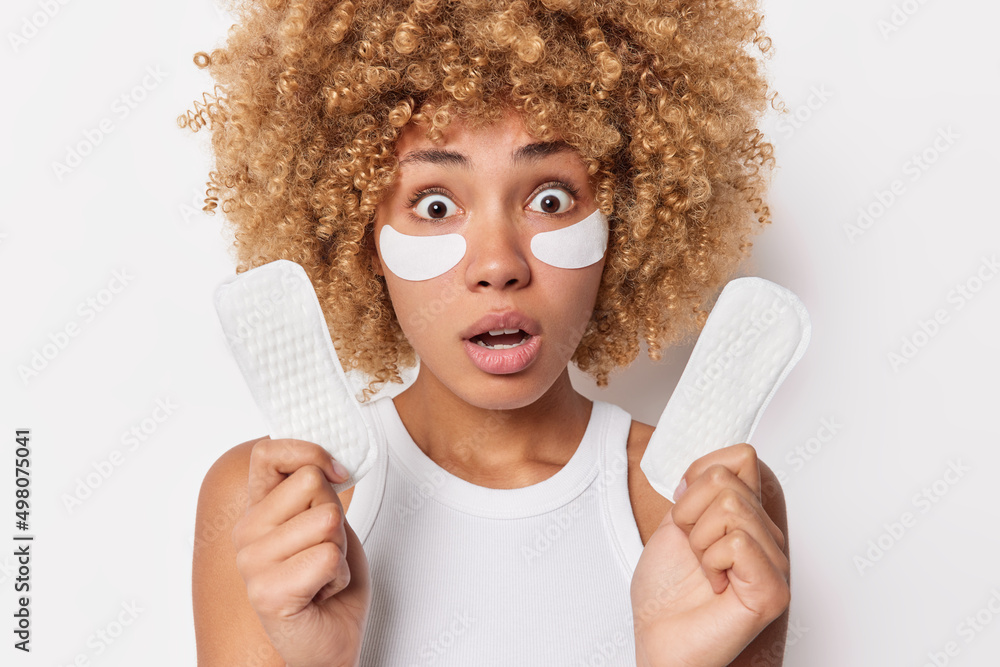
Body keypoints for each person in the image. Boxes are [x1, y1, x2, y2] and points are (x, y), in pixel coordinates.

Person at [183, 1, 791, 665]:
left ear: (627, 215)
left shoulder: (694, 504)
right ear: (359, 234)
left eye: (550, 199)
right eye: (436, 205)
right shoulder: (275, 509)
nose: (499, 263)